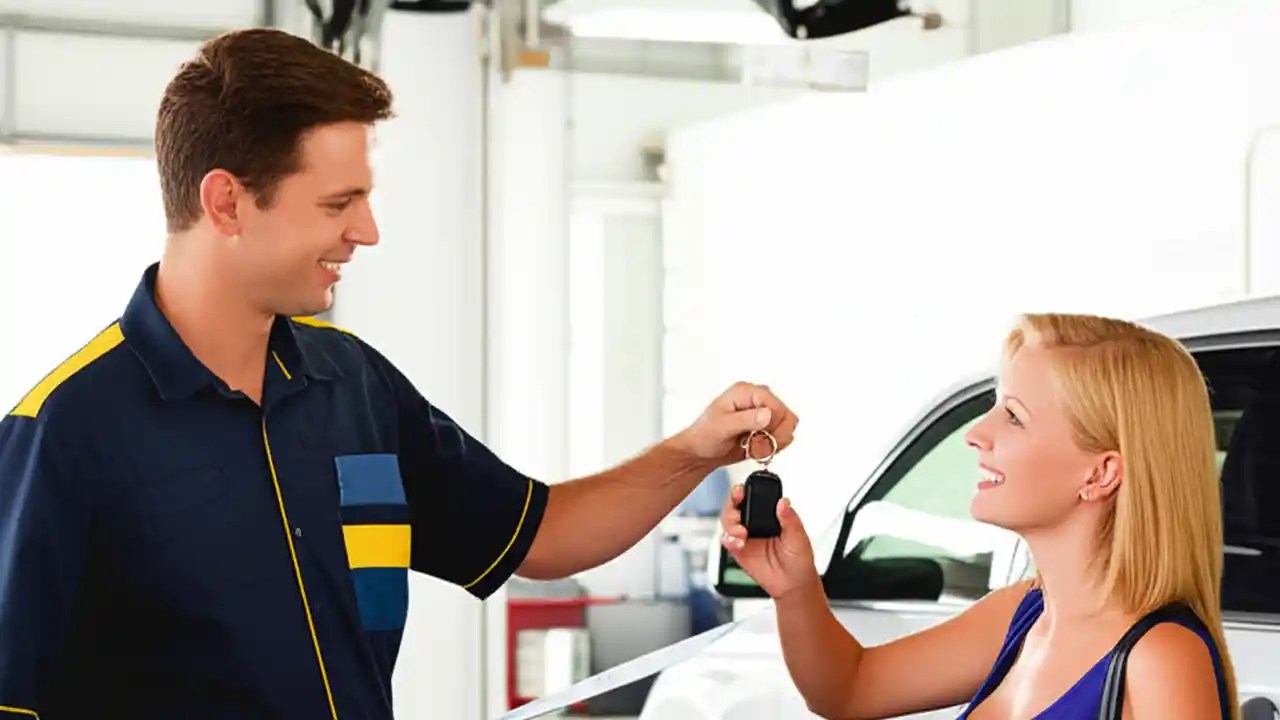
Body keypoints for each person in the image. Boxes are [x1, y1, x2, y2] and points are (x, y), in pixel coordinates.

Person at [0, 28, 799, 720]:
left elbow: (542, 533)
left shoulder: (354, 390)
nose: (367, 231)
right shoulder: (65, 433)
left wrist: (696, 449)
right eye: (336, 203)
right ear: (227, 203)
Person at [721, 313, 1238, 720]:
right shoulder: (1024, 613)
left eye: (1014, 415)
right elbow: (847, 690)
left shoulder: (1161, 657)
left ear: (1100, 474)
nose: (977, 433)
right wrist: (795, 589)